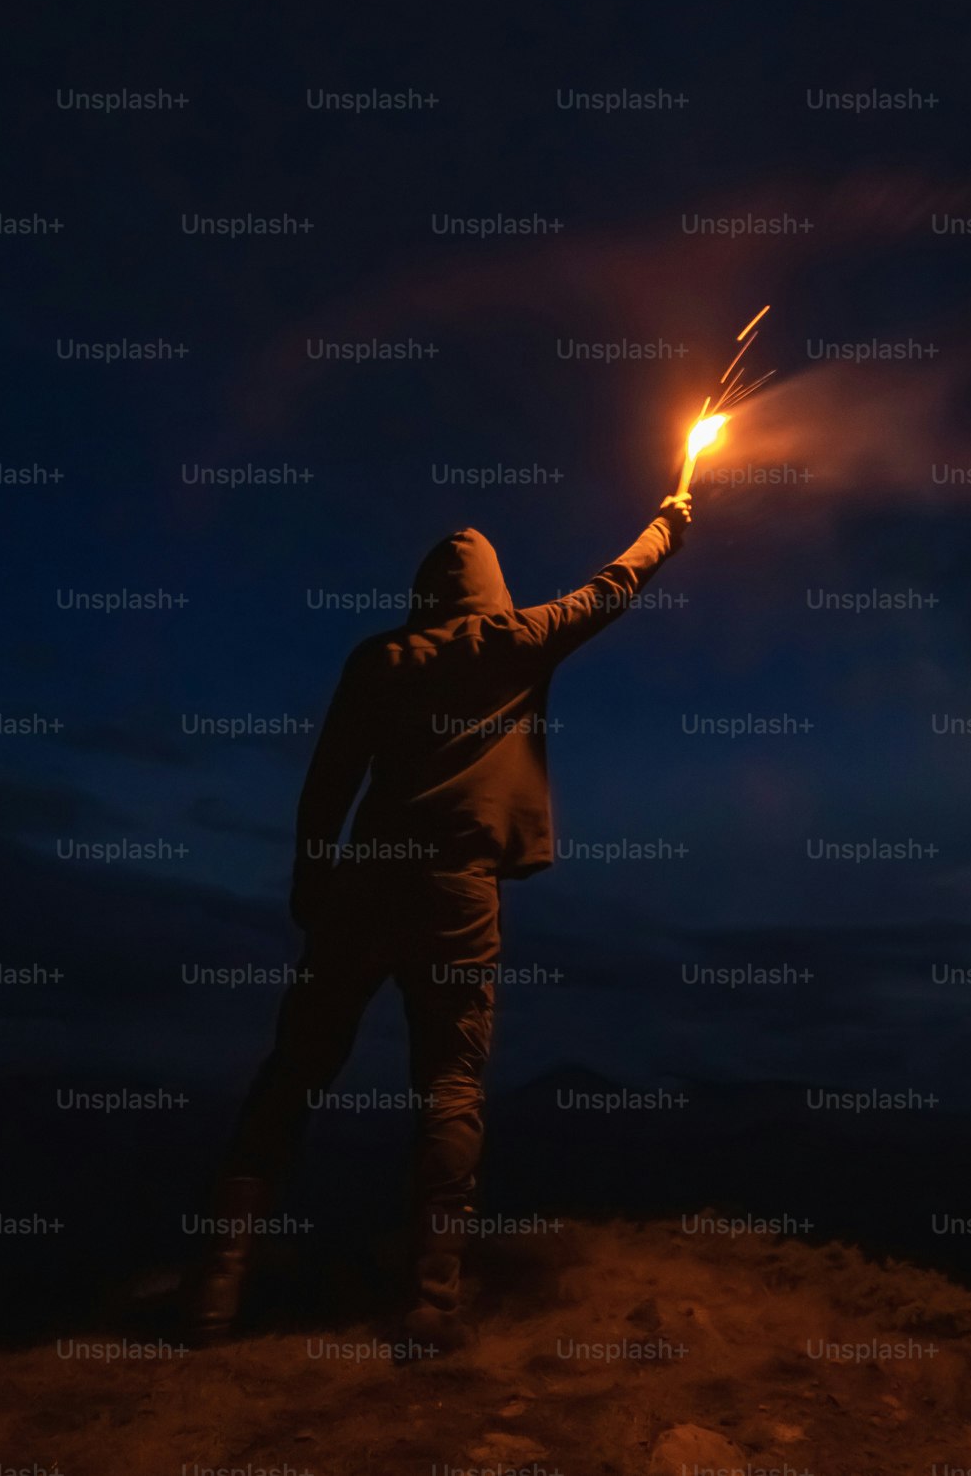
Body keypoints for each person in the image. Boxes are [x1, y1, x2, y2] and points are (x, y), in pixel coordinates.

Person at [188, 494, 693, 1349]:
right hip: (457, 891)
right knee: (451, 1085)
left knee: (293, 1072)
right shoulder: (521, 640)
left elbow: (328, 783)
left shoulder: (379, 658)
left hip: (364, 883)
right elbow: (614, 587)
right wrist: (668, 527)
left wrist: (312, 883)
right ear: (493, 588)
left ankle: (216, 1290)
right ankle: (431, 1299)